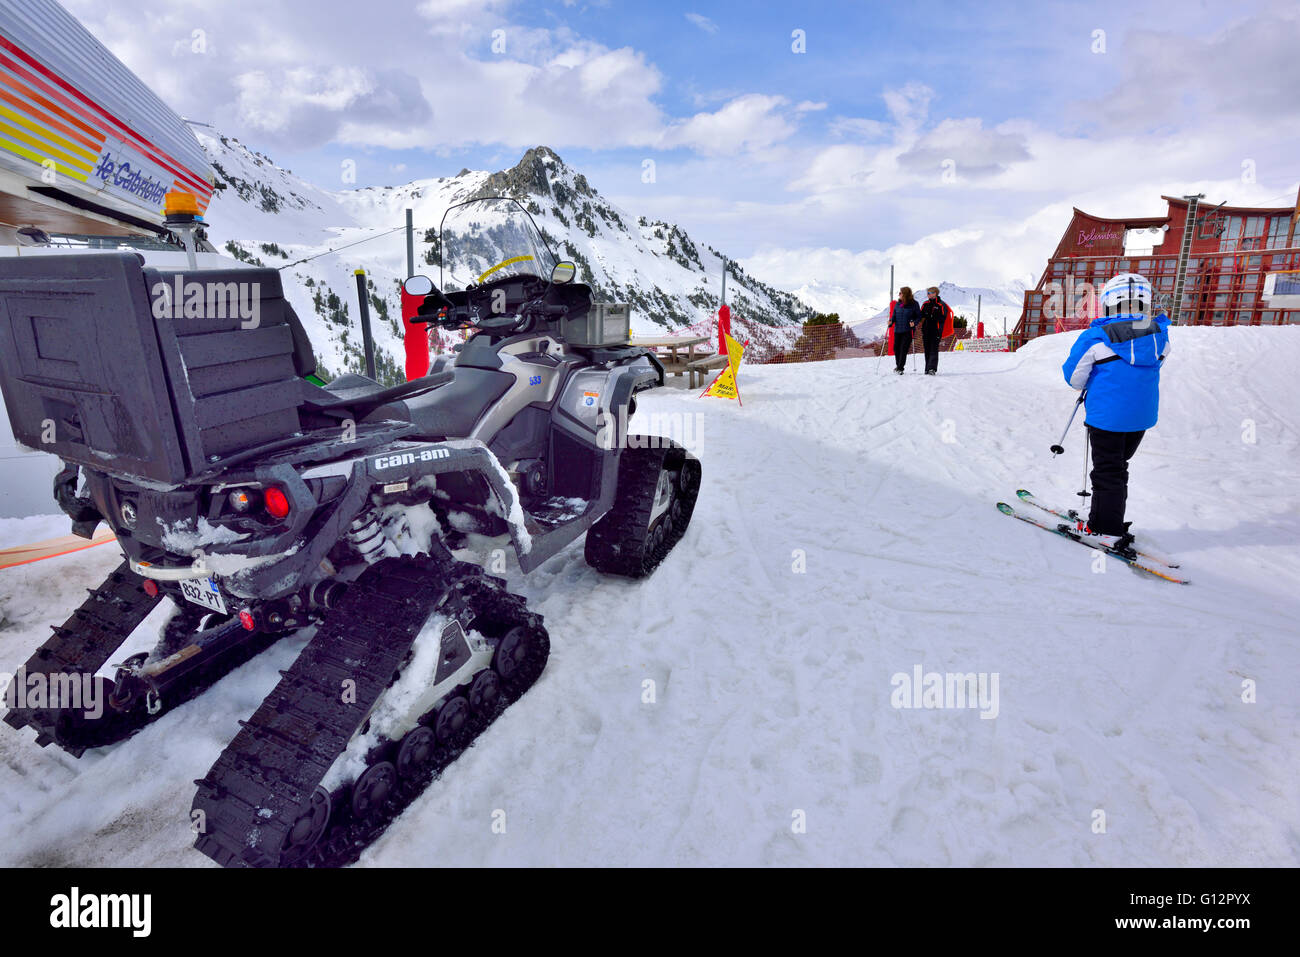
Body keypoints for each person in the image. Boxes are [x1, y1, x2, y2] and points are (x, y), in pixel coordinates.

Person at [1060, 272, 1171, 549]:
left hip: (1107, 417)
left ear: (1109, 303)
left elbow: (1074, 377)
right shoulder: (1159, 336)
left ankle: (1105, 529)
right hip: (1141, 417)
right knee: (1117, 468)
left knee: (1107, 472)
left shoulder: (1096, 337)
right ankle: (1106, 516)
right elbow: (1155, 363)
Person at [918, 286, 953, 375]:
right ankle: (927, 368)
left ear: (935, 293)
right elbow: (920, 315)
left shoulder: (941, 304)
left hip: (936, 330)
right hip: (926, 330)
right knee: (927, 349)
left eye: (929, 293)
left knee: (933, 349)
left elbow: (943, 317)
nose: (928, 295)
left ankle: (932, 369)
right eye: (927, 293)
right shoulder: (925, 304)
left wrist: (932, 316)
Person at [889, 286, 920, 374]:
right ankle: (898, 365)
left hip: (908, 330)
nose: (899, 294)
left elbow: (918, 316)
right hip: (898, 330)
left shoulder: (914, 304)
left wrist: (914, 322)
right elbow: (894, 316)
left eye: (900, 293)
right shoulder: (898, 304)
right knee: (896, 348)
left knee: (903, 349)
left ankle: (900, 368)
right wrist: (891, 321)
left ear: (905, 294)